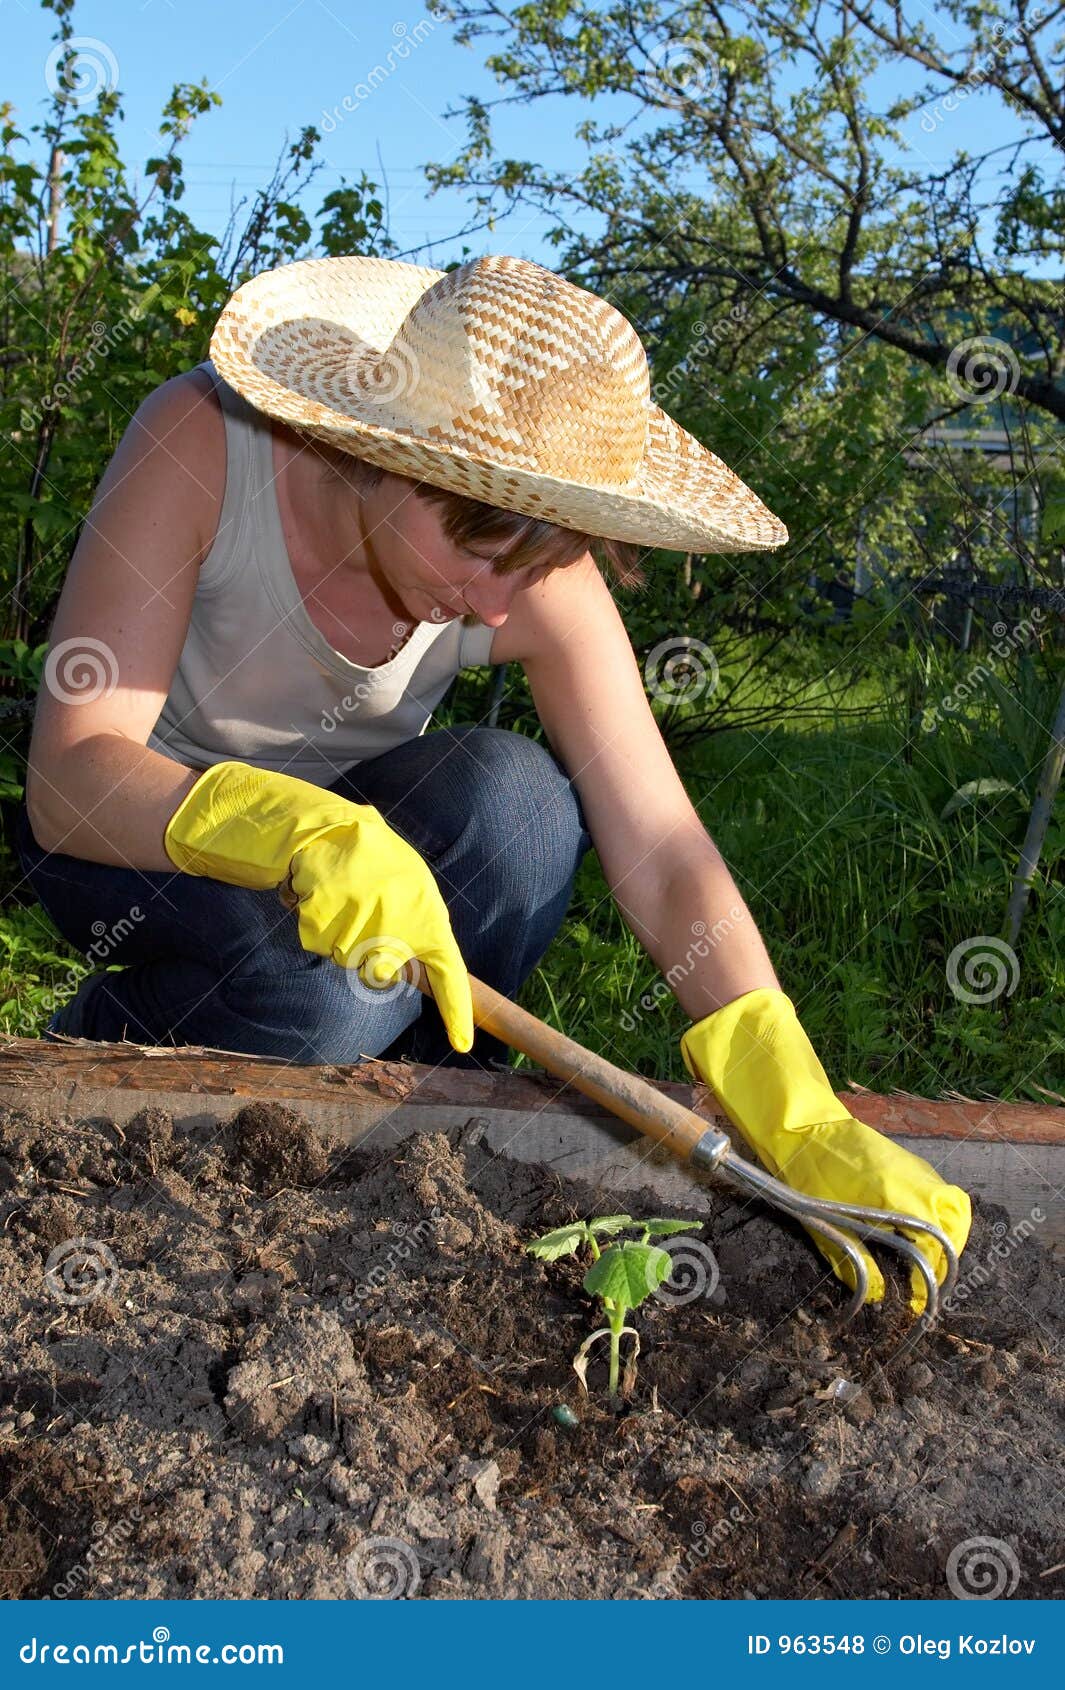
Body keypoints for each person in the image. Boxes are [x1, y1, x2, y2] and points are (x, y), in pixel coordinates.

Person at [15, 252, 970, 1308]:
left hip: (358, 852)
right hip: (142, 832)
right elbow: (71, 778)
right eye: (478, 548)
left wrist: (795, 1102)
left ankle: (411, 1128)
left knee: (518, 804)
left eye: (537, 563)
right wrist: (292, 829)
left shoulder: (523, 569)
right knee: (324, 991)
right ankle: (98, 1051)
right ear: (383, 452)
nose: (497, 605)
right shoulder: (203, 441)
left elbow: (661, 845)